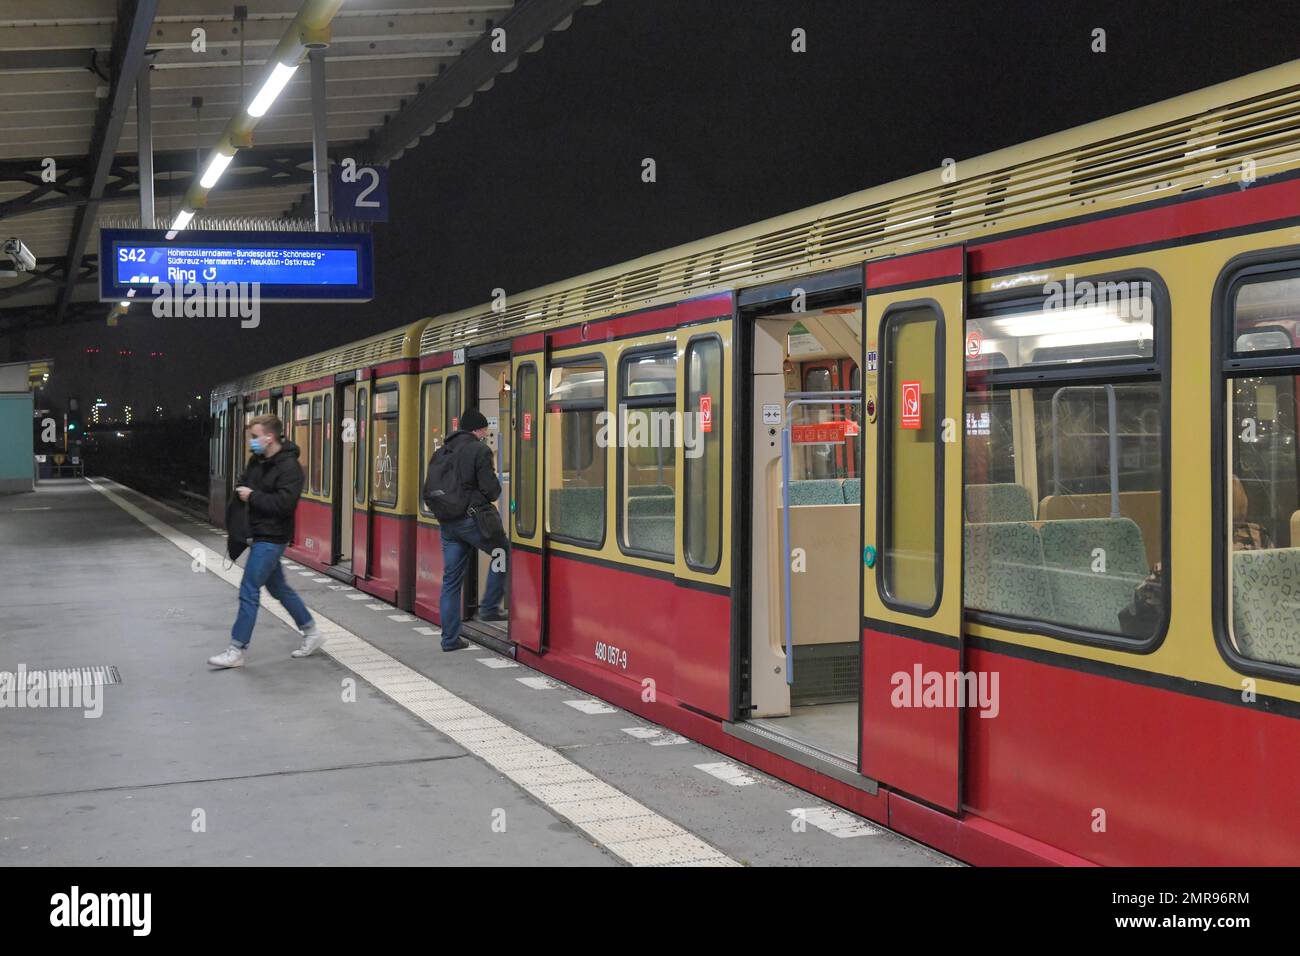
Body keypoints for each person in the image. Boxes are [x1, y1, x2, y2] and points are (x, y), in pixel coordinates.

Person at [208, 414, 322, 668]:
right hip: (257, 533)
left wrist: (253, 496)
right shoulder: (257, 461)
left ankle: (236, 650)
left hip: (273, 537)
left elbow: (284, 505)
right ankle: (312, 632)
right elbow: (244, 482)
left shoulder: (291, 468)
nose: (252, 442)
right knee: (278, 588)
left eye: (255, 437)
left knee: (249, 588)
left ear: (269, 437)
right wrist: (242, 490)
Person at [426, 407, 507, 652]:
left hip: (448, 524)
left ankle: (449, 639)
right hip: (472, 521)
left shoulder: (442, 451)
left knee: (451, 581)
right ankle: (490, 607)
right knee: (502, 552)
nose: (485, 434)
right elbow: (492, 490)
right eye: (485, 430)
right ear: (478, 430)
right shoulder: (479, 450)